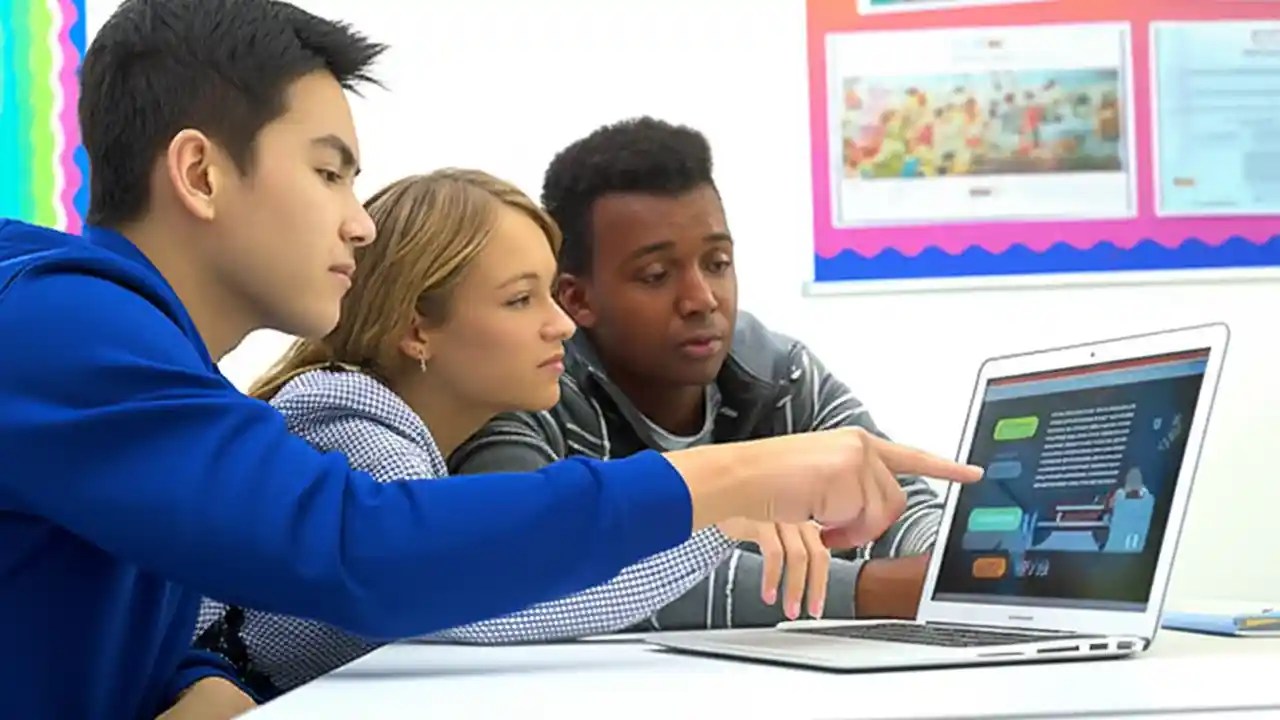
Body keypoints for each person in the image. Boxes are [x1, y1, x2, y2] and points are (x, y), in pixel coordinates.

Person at [0, 2, 982, 718]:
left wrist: (194, 689)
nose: (355, 219)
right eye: (329, 170)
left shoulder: (141, 366)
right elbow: (359, 549)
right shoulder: (60, 326)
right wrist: (729, 479)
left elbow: (131, 626)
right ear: (202, 173)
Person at [193, 169, 740, 699]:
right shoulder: (349, 428)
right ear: (416, 330)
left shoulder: (409, 428)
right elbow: (468, 595)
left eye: (550, 293)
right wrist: (718, 517)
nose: (563, 325)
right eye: (520, 299)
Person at [453, 116, 948, 628]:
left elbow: (897, 501)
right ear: (575, 298)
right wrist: (872, 592)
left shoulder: (781, 375)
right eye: (656, 276)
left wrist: (947, 571)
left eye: (717, 262)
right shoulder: (529, 387)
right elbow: (529, 562)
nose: (702, 299)